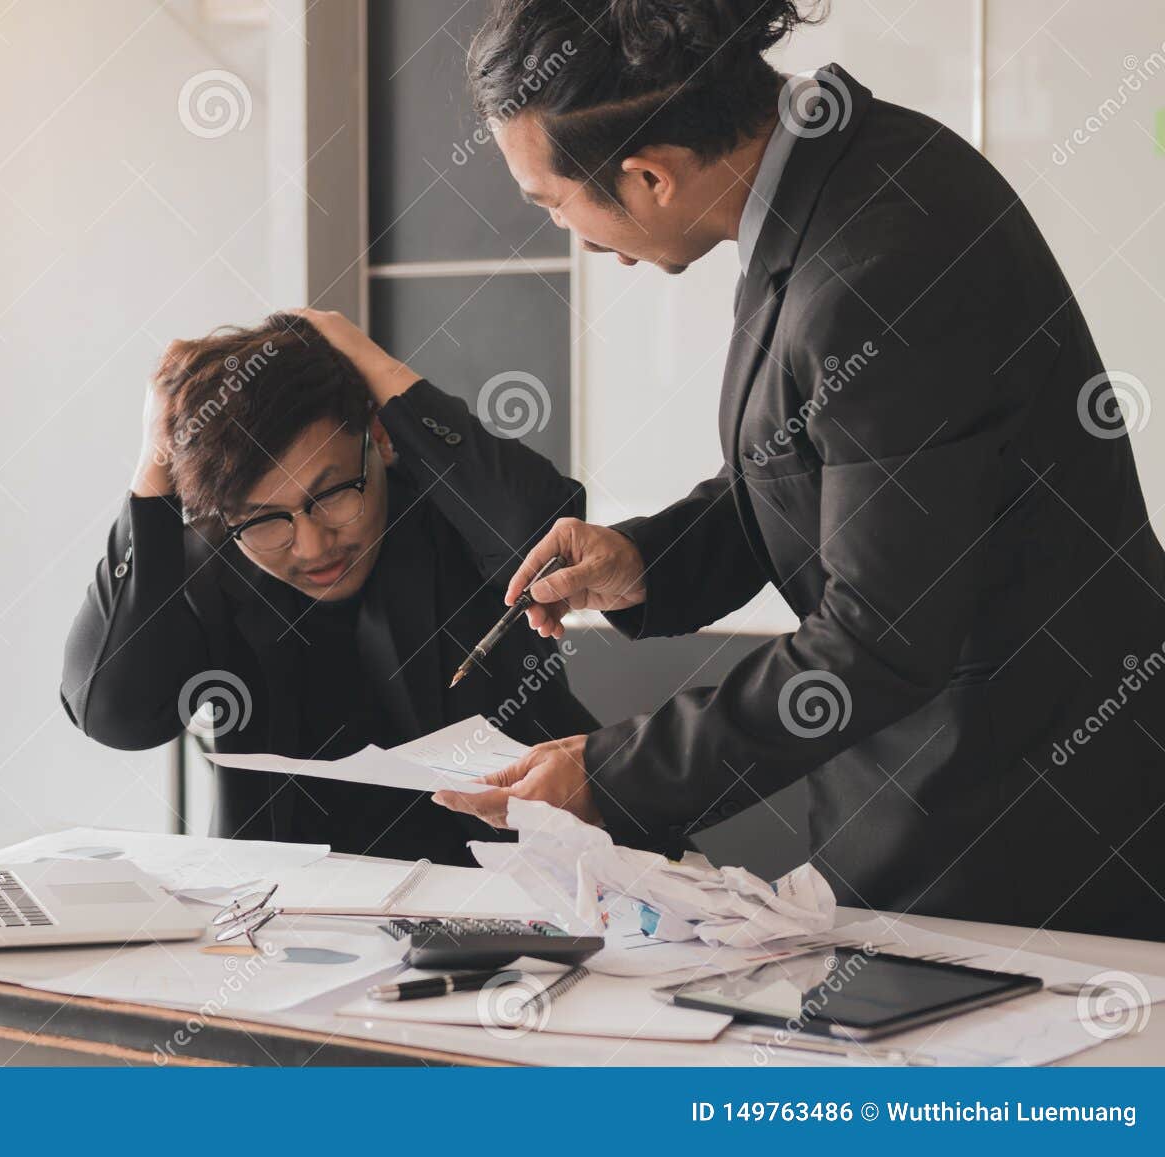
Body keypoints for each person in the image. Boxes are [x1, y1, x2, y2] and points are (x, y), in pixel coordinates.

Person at [381, 0, 1163, 939]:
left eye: (554, 205)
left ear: (650, 176)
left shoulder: (878, 260)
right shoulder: (845, 170)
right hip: (949, 795)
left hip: (1018, 828)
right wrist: (643, 558)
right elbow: (818, 466)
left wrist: (614, 773)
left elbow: (880, 637)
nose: (576, 238)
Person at [58, 312, 600, 865]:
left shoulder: (457, 512)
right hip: (287, 915)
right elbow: (113, 713)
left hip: (535, 891)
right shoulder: (209, 563)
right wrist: (154, 471)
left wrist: (373, 365)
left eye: (335, 493)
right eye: (264, 519)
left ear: (378, 437)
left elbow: (548, 540)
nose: (314, 547)